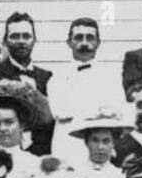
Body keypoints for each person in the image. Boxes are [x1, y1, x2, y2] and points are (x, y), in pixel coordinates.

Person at [0, 11, 55, 155]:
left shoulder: (47, 77)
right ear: (5, 41)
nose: (20, 41)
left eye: (26, 36)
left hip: (40, 158)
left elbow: (50, 123)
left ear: (34, 40)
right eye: (14, 36)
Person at [48, 17, 126, 164]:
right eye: (78, 38)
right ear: (69, 42)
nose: (84, 43)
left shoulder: (111, 76)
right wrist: (100, 110)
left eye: (90, 38)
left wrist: (83, 110)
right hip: (67, 149)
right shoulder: (57, 78)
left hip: (100, 151)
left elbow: (118, 112)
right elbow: (61, 112)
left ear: (98, 43)